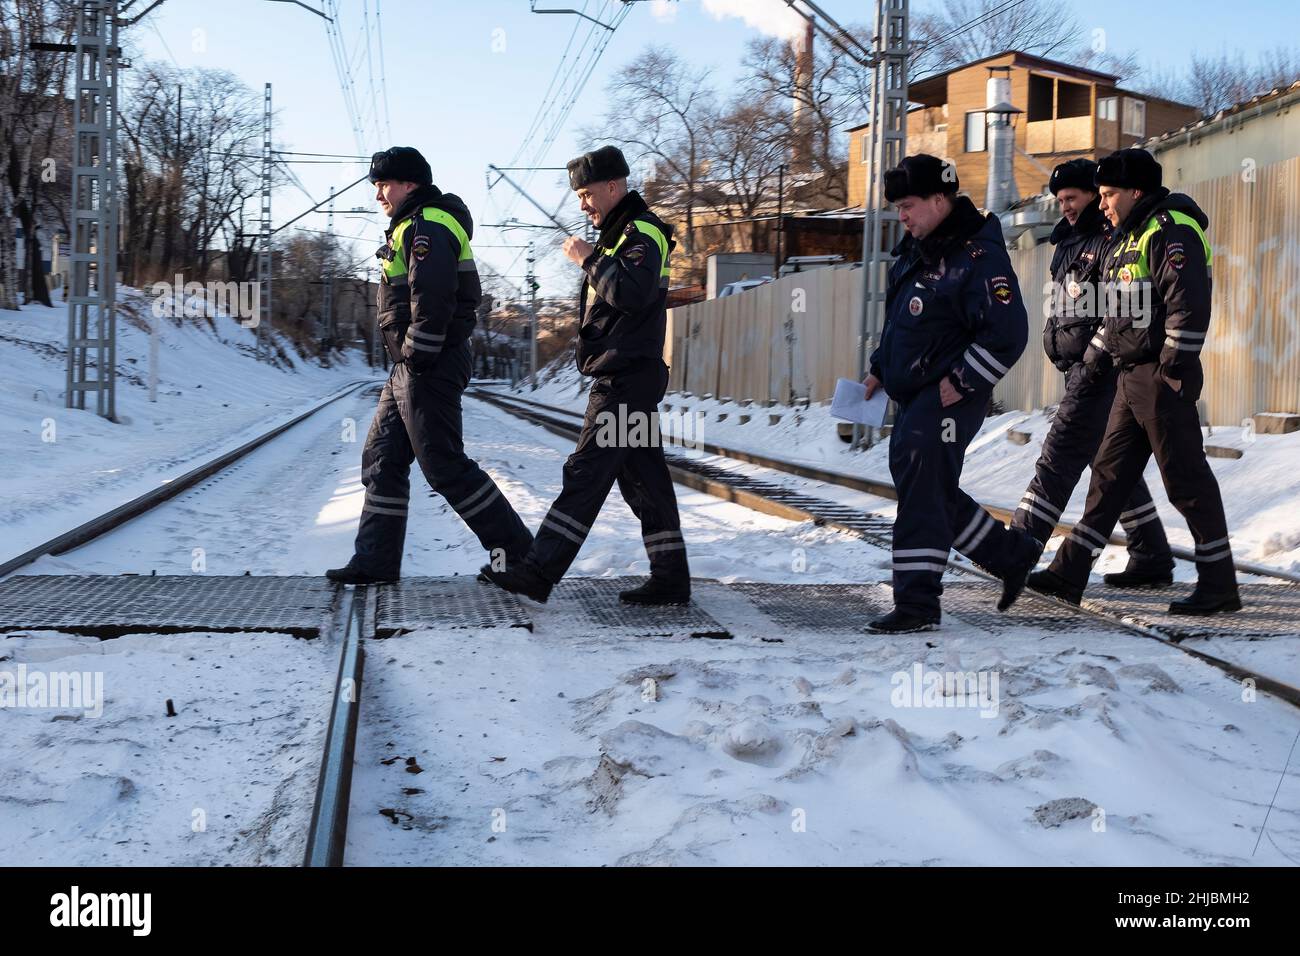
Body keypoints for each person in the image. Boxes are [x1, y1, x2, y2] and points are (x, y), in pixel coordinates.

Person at [1027, 148, 1240, 614]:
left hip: (1161, 379)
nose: (1101, 204)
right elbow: (1119, 315)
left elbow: (1188, 305)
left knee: (1186, 481)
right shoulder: (1129, 238)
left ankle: (1220, 583)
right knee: (1107, 479)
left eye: (1108, 195)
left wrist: (1173, 369)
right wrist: (1095, 360)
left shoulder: (1170, 231)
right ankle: (1068, 572)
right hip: (1128, 378)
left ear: (1135, 191)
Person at [478, 145, 690, 605]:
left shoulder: (642, 232)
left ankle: (538, 571)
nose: (582, 204)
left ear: (613, 187)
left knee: (585, 473)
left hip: (626, 382)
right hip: (628, 377)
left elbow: (630, 295)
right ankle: (671, 577)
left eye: (587, 194)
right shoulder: (622, 234)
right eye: (578, 196)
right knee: (643, 481)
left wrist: (588, 259)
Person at [326, 146, 533, 584]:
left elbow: (433, 297)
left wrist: (417, 356)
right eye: (377, 185)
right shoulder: (410, 226)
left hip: (429, 363)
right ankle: (376, 562)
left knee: (444, 466)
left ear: (409, 184)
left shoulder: (428, 226)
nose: (378, 194)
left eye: (384, 184)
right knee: (382, 458)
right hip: (411, 365)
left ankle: (518, 555)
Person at [863, 154, 1038, 633]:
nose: (902, 215)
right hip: (916, 394)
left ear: (941, 200)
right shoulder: (918, 249)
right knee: (927, 485)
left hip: (948, 398)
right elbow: (903, 323)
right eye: (897, 206)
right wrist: (880, 368)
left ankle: (917, 604)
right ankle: (1009, 555)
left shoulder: (976, 257)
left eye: (909, 205)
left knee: (921, 487)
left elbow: (1009, 333)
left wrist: (961, 381)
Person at [1015, 158, 1175, 586]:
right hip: (1078, 368)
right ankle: (1152, 553)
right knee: (1109, 465)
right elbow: (1069, 306)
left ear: (1093, 194)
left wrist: (1092, 363)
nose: (1065, 206)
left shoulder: (1110, 239)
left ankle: (1017, 548)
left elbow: (1120, 312)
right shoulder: (1066, 241)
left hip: (1101, 373)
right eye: (1059, 200)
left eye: (1072, 198)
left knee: (1059, 455)